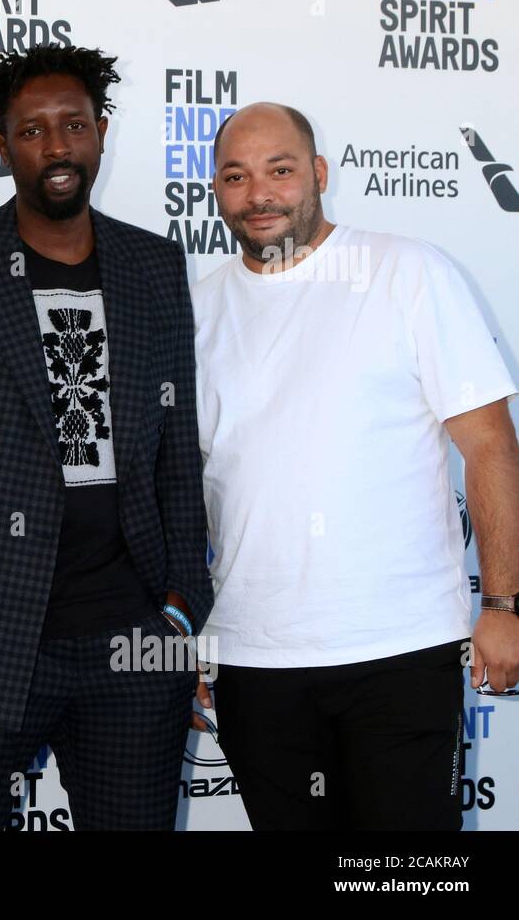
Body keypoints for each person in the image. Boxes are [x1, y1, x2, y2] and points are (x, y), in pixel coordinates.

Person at [0, 44, 211, 830]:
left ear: (101, 133)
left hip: (132, 641)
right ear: (1, 143)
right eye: (32, 130)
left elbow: (177, 451)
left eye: (73, 126)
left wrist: (183, 608)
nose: (56, 147)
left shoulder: (155, 265)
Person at [193, 101, 519, 829]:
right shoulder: (198, 309)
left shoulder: (406, 271)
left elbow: (491, 442)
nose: (259, 194)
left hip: (399, 650)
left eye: (279, 170)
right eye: (236, 176)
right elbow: (184, 491)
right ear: (215, 190)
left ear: (317, 174)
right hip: (254, 657)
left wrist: (502, 606)